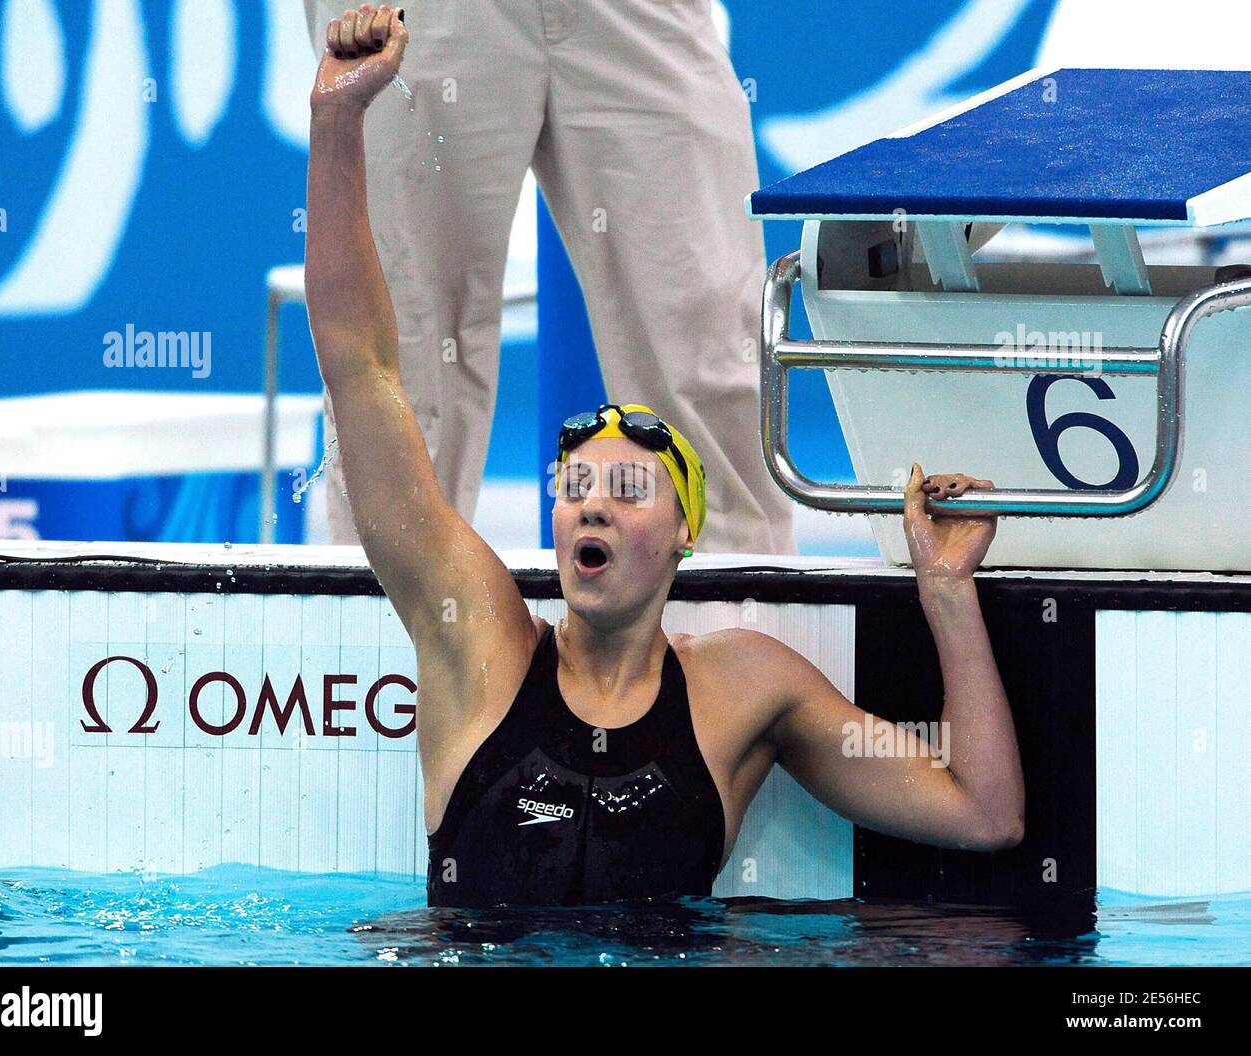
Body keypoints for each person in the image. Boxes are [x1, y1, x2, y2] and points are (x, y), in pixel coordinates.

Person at [306, 6, 1024, 907]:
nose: (592, 506)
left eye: (627, 486)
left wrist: (950, 598)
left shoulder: (743, 688)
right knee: (419, 362)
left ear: (688, 533)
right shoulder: (474, 644)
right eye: (576, 489)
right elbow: (361, 366)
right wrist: (335, 119)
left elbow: (986, 817)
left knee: (710, 367)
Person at [302, 0, 797, 554]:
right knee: (407, 358)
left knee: (705, 346)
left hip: (631, 15)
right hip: (422, 16)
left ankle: (748, 626)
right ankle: (386, 633)